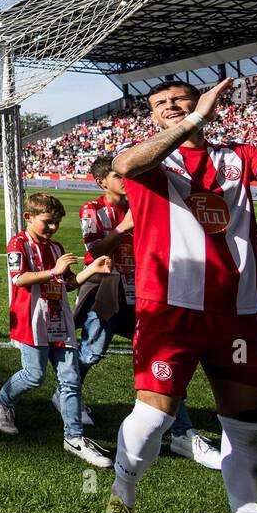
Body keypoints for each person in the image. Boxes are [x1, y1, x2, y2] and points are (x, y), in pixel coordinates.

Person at [103, 73, 257, 513]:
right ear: (152, 115)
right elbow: (125, 167)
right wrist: (193, 119)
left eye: (180, 97)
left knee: (249, 432)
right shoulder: (150, 161)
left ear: (202, 99)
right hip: (170, 308)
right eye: (160, 102)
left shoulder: (237, 155)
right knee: (153, 420)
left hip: (238, 311)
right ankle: (120, 500)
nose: (169, 104)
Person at [74, 155, 220, 468]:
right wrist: (124, 227)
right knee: (92, 352)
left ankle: (183, 431)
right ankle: (68, 394)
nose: (126, 181)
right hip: (108, 291)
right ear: (102, 182)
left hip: (144, 294)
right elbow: (94, 251)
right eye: (117, 176)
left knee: (161, 355)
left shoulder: (141, 203)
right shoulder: (93, 209)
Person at [0, 192, 114, 467]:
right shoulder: (18, 244)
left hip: (60, 320)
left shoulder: (56, 247)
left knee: (70, 379)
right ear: (28, 217)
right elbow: (19, 279)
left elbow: (68, 283)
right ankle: (0, 402)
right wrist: (54, 271)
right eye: (48, 222)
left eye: (57, 223)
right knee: (34, 376)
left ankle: (74, 437)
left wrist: (93, 269)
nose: (53, 228)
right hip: (32, 320)